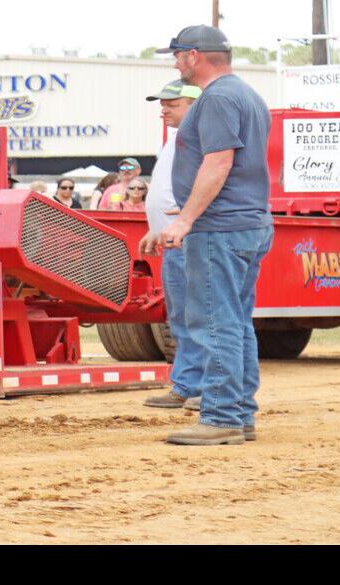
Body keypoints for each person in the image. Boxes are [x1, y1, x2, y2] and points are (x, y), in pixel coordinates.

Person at [157, 25, 274, 446]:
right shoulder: (246, 95)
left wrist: (186, 219)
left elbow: (219, 162)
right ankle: (239, 413)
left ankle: (222, 416)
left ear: (194, 55)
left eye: (177, 55)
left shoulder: (218, 98)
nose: (175, 64)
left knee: (214, 322)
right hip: (245, 222)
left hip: (220, 228)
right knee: (236, 322)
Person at [139, 79, 204, 411]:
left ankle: (207, 389)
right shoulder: (176, 139)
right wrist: (156, 228)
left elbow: (213, 182)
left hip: (193, 240)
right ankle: (187, 385)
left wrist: (187, 216)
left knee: (199, 316)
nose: (163, 110)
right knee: (181, 317)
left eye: (172, 104)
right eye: (162, 104)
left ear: (195, 106)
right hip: (174, 240)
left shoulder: (202, 137)